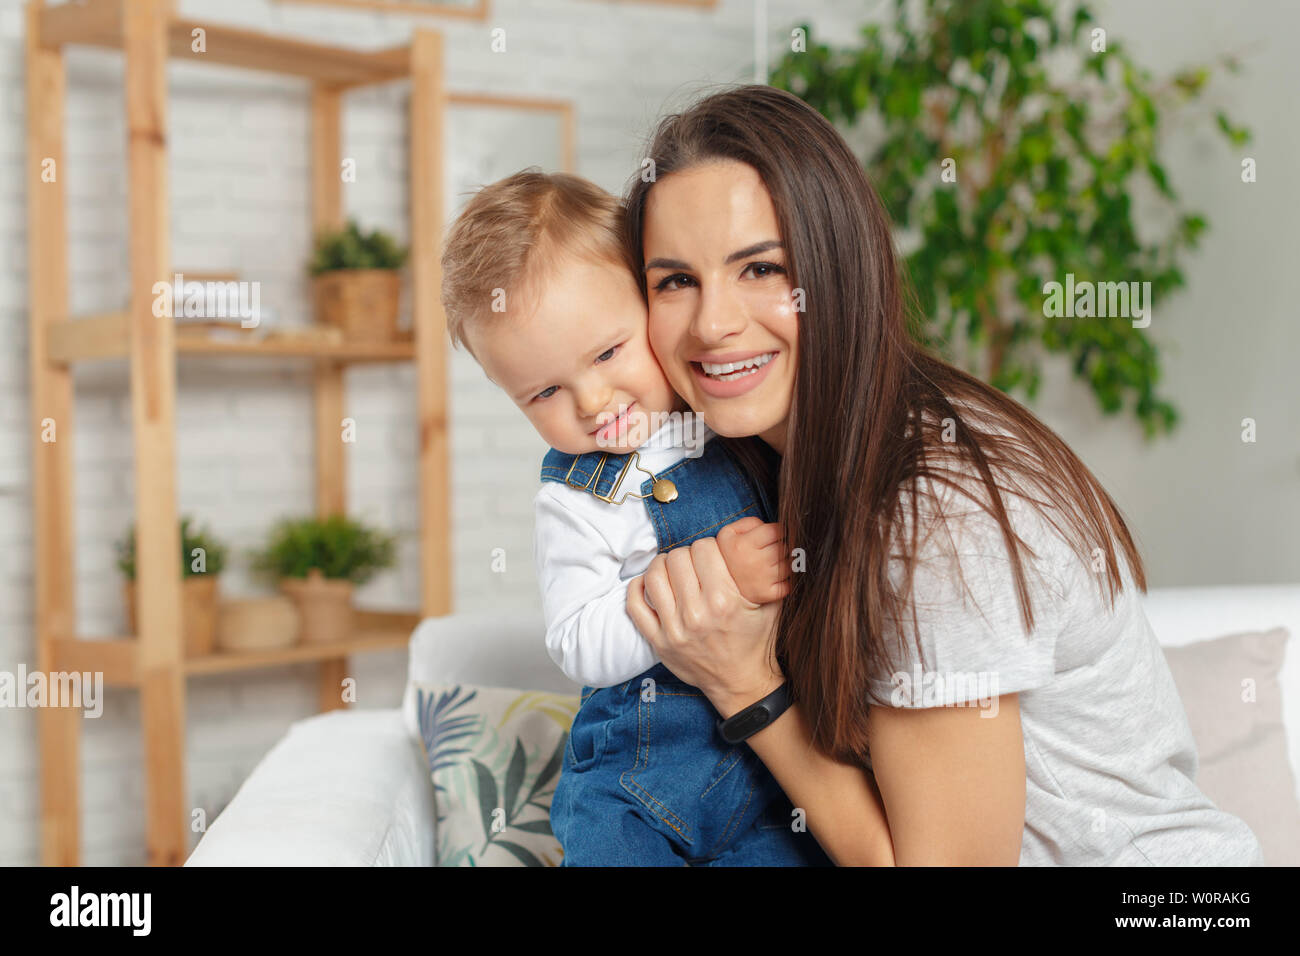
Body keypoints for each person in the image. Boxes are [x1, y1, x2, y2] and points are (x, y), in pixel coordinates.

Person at [621, 84, 1265, 866]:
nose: (713, 323)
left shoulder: (937, 514)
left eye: (761, 269)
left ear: (837, 273)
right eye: (675, 281)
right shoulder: (772, 464)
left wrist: (743, 684)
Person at [439, 169, 830, 865]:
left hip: (769, 776)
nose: (593, 400)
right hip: (632, 778)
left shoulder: (731, 414)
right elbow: (576, 641)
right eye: (545, 392)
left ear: (650, 305)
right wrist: (708, 587)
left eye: (608, 352)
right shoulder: (574, 498)